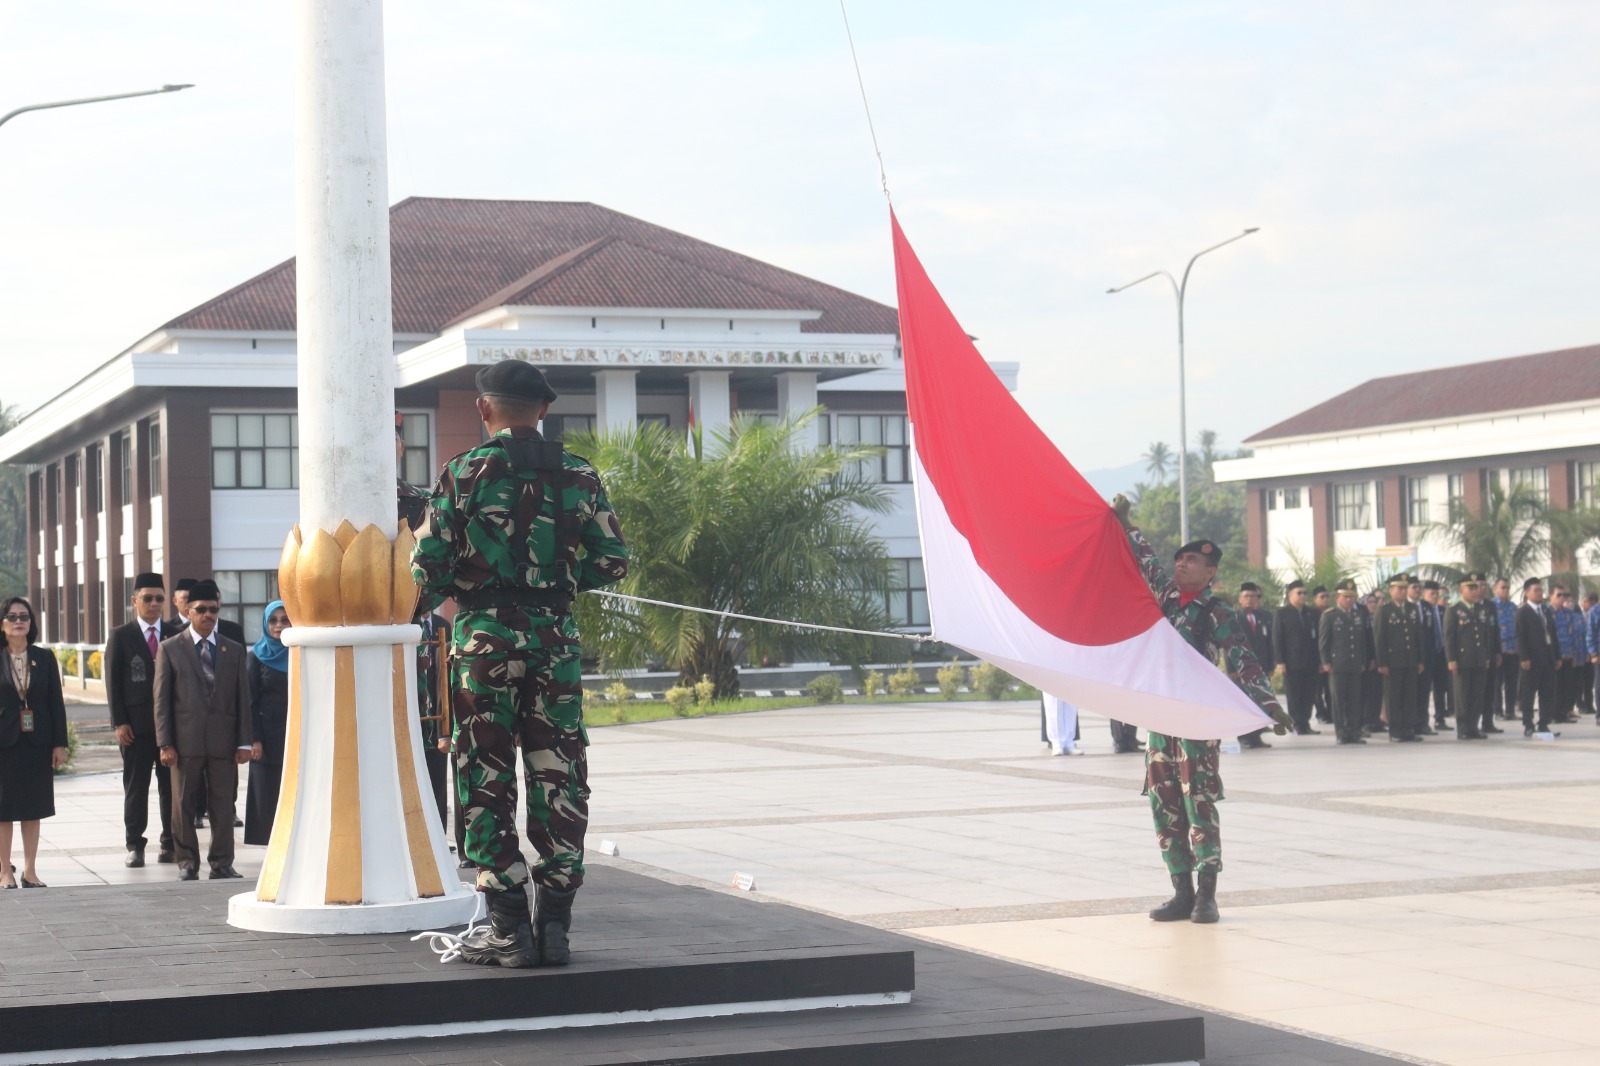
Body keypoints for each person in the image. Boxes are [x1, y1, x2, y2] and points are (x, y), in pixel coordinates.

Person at [413, 361, 630, 968]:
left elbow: (428, 566)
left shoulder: (463, 472)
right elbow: (612, 560)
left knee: (484, 775)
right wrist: (555, 584)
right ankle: (554, 926)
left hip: (484, 643)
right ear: (543, 410)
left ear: (484, 408)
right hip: (554, 640)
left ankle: (509, 929)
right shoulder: (580, 474)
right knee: (559, 773)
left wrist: (463, 584)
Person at [1109, 497, 1291, 926]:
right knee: (1164, 802)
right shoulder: (1166, 598)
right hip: (1160, 719)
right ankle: (1181, 892)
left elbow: (1243, 660)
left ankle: (1207, 895)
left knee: (1199, 803)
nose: (1181, 564)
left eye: (1191, 560)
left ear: (1211, 572)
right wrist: (1125, 523)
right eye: (1181, 559)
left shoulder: (1216, 612)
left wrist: (1270, 707)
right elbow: (1146, 558)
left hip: (1196, 721)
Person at [154, 579, 257, 880]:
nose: (208, 615)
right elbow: (161, 701)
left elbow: (243, 699)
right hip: (184, 744)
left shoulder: (232, 649)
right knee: (182, 805)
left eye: (213, 609)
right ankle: (187, 863)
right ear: (188, 611)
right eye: (201, 609)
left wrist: (245, 742)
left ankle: (222, 862)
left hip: (223, 743)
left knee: (223, 805)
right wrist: (165, 743)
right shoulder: (170, 649)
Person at [105, 573, 178, 867]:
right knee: (136, 788)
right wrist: (119, 722)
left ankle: (170, 843)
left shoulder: (175, 634)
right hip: (134, 728)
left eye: (159, 598)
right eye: (147, 598)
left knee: (170, 789)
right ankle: (135, 845)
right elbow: (113, 683)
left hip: (170, 728)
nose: (154, 604)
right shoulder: (121, 636)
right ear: (134, 600)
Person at [0, 597, 70, 889]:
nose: (19, 621)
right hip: (3, 742)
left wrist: (59, 743)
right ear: (2, 623)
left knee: (33, 806)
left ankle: (30, 871)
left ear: (31, 622)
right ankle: (5, 871)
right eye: (12, 616)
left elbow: (56, 702)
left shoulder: (44, 657)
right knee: (3, 809)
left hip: (37, 741)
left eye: (24, 617)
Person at [244, 601, 290, 847]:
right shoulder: (256, 657)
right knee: (266, 791)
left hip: (294, 733)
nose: (278, 626)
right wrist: (255, 739)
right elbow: (249, 701)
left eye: (284, 620)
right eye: (273, 620)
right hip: (266, 736)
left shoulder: (300, 652)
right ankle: (269, 844)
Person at [1444, 573, 1499, 739]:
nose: (1475, 591)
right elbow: (1449, 638)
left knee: (1477, 695)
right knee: (1462, 696)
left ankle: (1473, 727)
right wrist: (1451, 660)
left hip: (1479, 659)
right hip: (1462, 660)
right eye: (1471, 588)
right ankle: (1463, 729)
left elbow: (1485, 635)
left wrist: (1486, 657)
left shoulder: (1481, 609)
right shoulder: (1454, 610)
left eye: (1476, 587)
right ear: (1462, 590)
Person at [1374, 574, 1426, 742]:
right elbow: (1379, 638)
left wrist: (1420, 660)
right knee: (1394, 698)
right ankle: (1395, 731)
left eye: (1405, 588)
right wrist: (1382, 662)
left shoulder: (1412, 609)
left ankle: (1408, 729)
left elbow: (1418, 636)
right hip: (1392, 662)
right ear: (1391, 590)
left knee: (1409, 697)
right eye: (1399, 588)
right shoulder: (1384, 610)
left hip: (1410, 661)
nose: (1403, 591)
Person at [1319, 581, 1366, 744]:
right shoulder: (1329, 615)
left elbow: (1361, 641)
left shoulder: (1357, 614)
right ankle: (1341, 733)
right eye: (1345, 597)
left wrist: (1362, 660)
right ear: (1337, 597)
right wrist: (1326, 662)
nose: (1349, 600)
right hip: (1337, 665)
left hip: (1354, 664)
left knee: (1354, 700)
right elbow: (1324, 642)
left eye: (1352, 597)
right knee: (1338, 701)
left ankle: (1354, 732)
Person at [1273, 580, 1321, 735]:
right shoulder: (1282, 613)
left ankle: (1305, 723)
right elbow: (1278, 638)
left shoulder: (1312, 613)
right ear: (1290, 595)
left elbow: (1318, 638)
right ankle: (1296, 724)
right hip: (1291, 662)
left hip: (1311, 662)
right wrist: (1280, 660)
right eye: (1299, 593)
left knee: (1308, 694)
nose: (1303, 596)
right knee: (1294, 695)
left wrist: (1320, 660)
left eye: (1304, 593)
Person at [1515, 578, 1560, 736]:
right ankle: (1528, 724)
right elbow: (1520, 637)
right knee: (1528, 694)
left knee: (1547, 693)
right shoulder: (1523, 612)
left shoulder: (1545, 610)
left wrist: (1557, 656)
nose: (1540, 593)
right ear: (1527, 593)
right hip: (1531, 660)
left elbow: (1553, 635)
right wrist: (1524, 658)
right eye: (1536, 590)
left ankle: (1544, 723)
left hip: (1547, 659)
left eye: (1541, 590)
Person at [1235, 582, 1275, 748]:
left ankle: (1256, 737)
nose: (1250, 599)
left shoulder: (1264, 617)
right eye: (1246, 596)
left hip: (1261, 668)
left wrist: (1271, 666)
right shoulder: (1234, 617)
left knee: (1259, 703)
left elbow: (1270, 643)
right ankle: (1244, 737)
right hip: (1241, 668)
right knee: (1244, 705)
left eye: (1253, 596)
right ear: (1240, 599)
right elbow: (1228, 644)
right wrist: (1232, 669)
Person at [1550, 585, 1585, 724]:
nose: (1562, 598)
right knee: (1554, 687)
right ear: (1551, 596)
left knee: (1567, 687)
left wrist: (1576, 655)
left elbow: (1575, 635)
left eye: (1563, 595)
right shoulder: (1547, 613)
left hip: (1568, 655)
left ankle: (1563, 713)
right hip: (1553, 656)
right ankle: (1552, 714)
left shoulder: (1569, 614)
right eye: (1558, 595)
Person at [1491, 577, 1520, 721]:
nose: (1505, 590)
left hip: (1513, 650)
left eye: (1507, 587)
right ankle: (1498, 711)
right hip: (1499, 651)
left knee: (1512, 682)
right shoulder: (1491, 607)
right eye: (1502, 587)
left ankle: (1510, 711)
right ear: (1495, 589)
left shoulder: (1513, 607)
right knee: (1497, 683)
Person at [1311, 585, 1333, 723]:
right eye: (1322, 597)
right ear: (1315, 599)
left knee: (1330, 689)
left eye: (1327, 596)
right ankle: (1321, 713)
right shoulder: (1312, 614)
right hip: (1316, 658)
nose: (1325, 599)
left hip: (1331, 658)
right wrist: (1319, 660)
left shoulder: (1332, 613)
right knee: (1317, 690)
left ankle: (1331, 713)